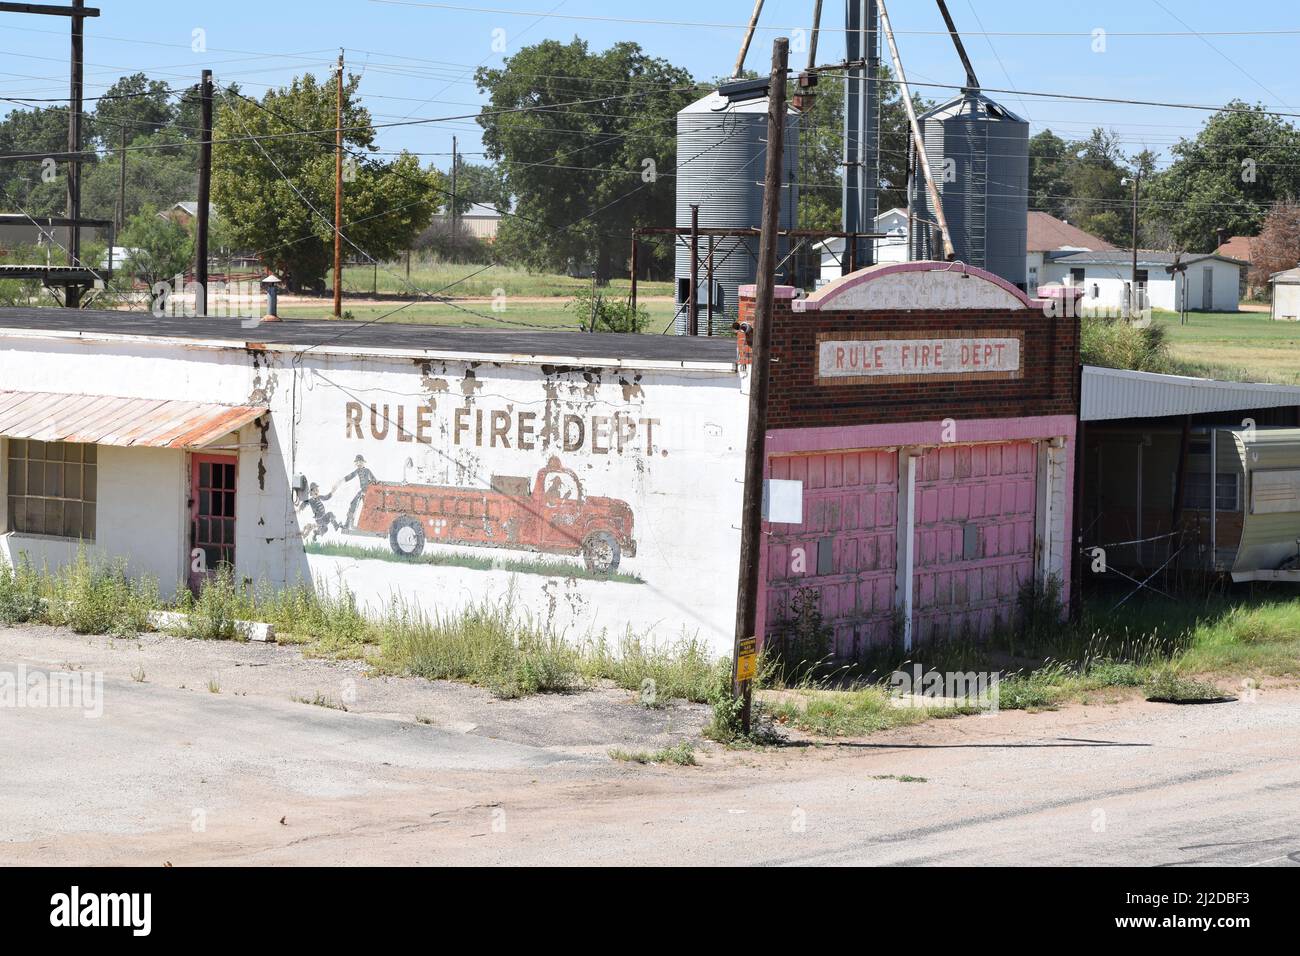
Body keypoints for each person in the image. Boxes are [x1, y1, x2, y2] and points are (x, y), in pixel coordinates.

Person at [343, 455, 377, 529]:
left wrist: (370, 486)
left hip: (369, 492)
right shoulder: (357, 471)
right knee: (353, 504)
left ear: (363, 462)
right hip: (362, 491)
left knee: (369, 508)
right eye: (357, 462)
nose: (359, 463)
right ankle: (347, 524)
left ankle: (371, 525)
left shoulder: (367, 470)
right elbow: (351, 475)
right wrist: (343, 480)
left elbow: (374, 480)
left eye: (360, 462)